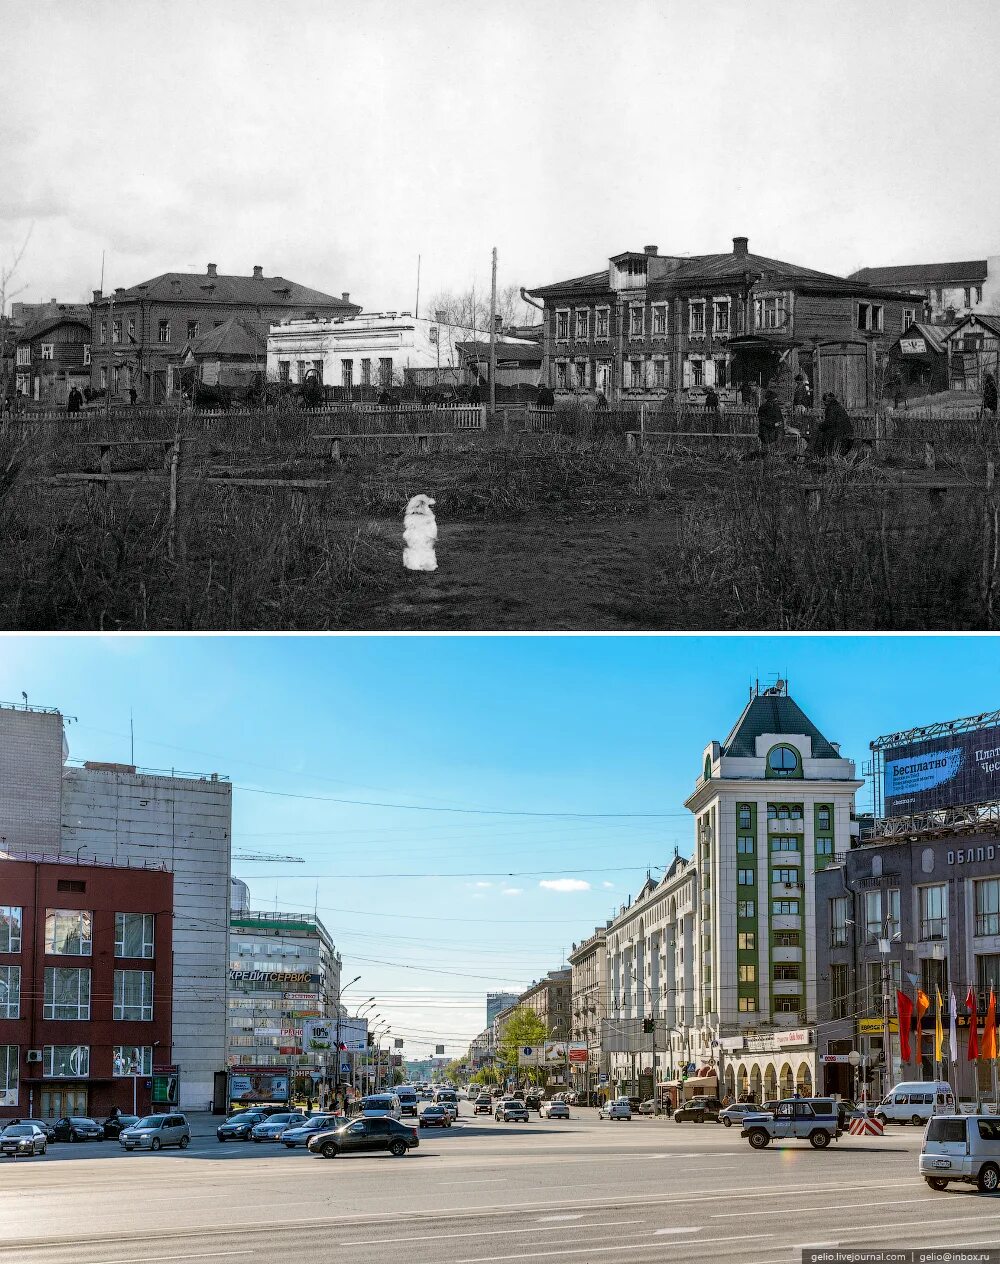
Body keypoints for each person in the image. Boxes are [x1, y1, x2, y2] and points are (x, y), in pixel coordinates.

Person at [813, 392, 854, 458]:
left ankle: (817, 454)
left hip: (841, 437)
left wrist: (820, 425)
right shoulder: (837, 406)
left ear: (826, 401)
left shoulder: (831, 408)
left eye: (824, 402)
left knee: (819, 433)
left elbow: (829, 423)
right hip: (845, 435)